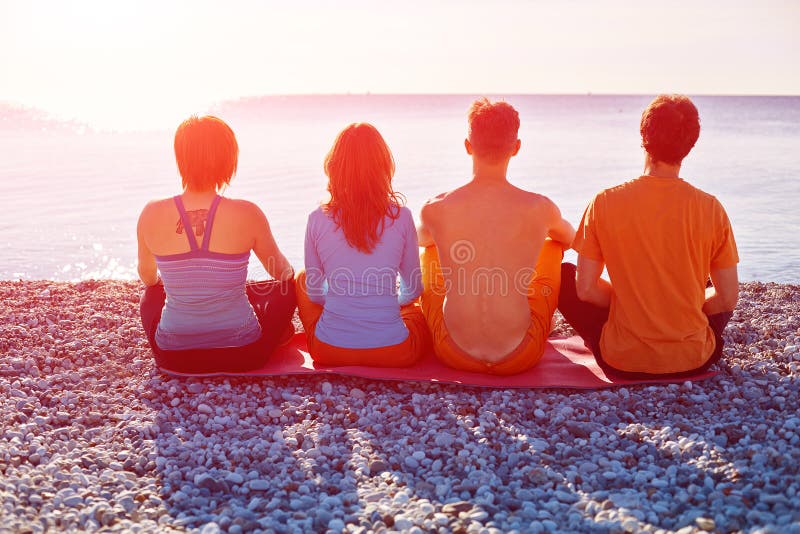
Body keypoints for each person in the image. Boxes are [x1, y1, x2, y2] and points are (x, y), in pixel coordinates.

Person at [559, 94, 739, 378]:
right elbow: (727, 298)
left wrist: (630, 303)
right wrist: (680, 305)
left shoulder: (604, 202)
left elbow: (586, 290)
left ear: (643, 136)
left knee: (564, 276)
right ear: (690, 145)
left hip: (621, 360)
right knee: (706, 279)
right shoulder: (711, 208)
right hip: (694, 358)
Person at [417, 98, 575, 375]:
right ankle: (534, 318)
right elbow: (571, 239)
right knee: (552, 247)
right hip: (520, 355)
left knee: (430, 253)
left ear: (467, 146)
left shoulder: (437, 207)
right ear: (516, 148)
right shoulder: (539, 207)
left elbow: (420, 240)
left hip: (453, 352)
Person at [137, 115, 296, 373]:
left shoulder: (151, 213)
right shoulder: (248, 213)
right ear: (228, 161)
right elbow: (283, 273)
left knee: (151, 293)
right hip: (243, 354)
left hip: (173, 357)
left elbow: (147, 276)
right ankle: (277, 333)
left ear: (180, 159)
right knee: (290, 287)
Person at [295, 123, 430, 367]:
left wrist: (345, 299)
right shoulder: (402, 216)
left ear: (334, 167)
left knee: (302, 279)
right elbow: (413, 288)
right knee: (417, 312)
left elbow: (315, 293)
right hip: (394, 352)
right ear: (383, 167)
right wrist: (395, 303)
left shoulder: (316, 219)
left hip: (329, 351)